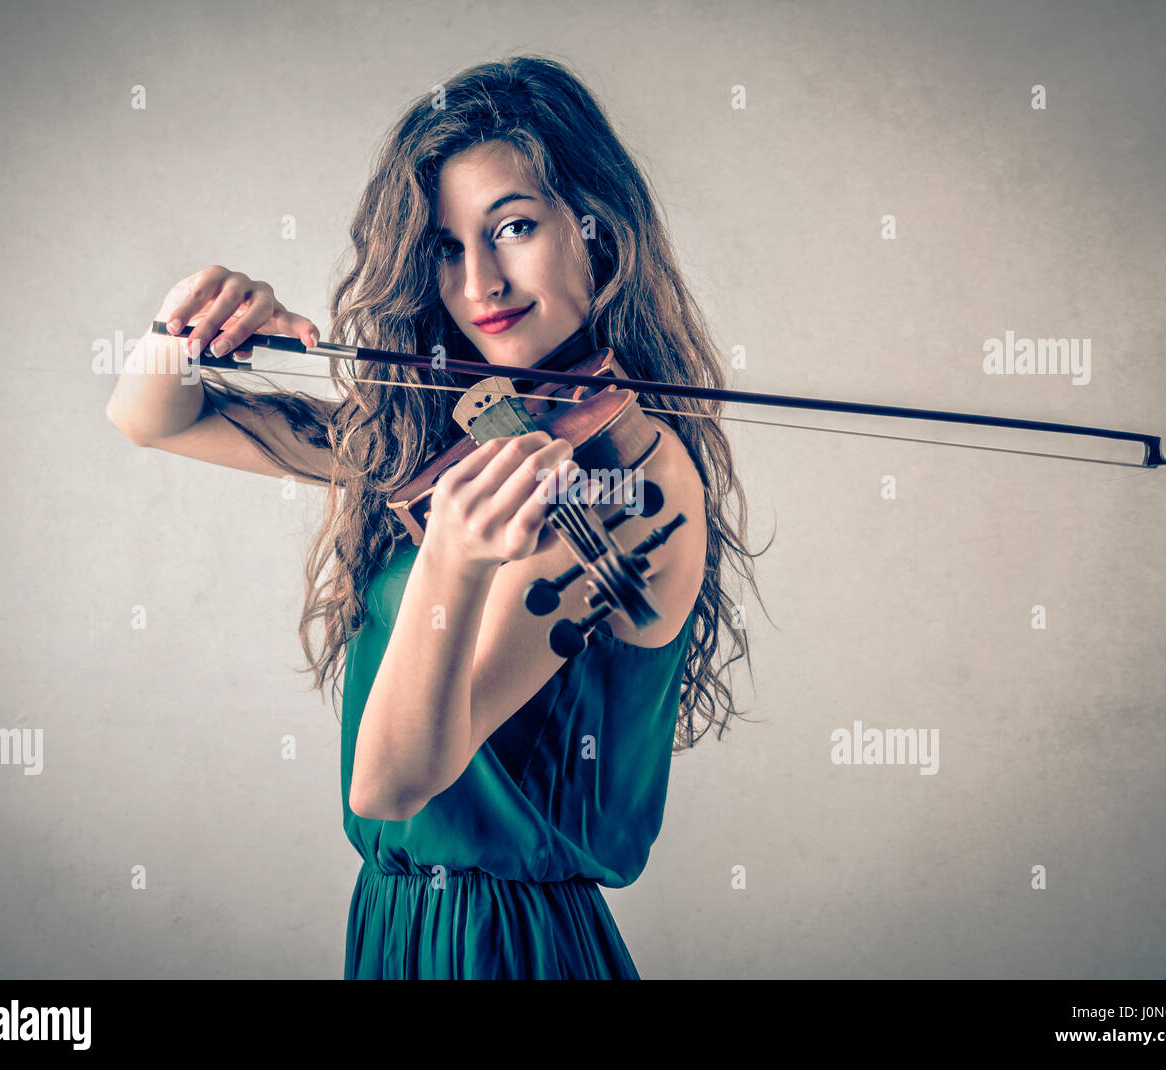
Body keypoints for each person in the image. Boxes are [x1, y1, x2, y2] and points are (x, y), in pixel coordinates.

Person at [107, 55, 767, 979]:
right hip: (393, 927)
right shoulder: (445, 444)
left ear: (598, 231)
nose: (481, 284)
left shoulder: (634, 492)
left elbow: (390, 782)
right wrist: (189, 326)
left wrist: (454, 562)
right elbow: (154, 417)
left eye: (515, 227)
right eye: (447, 248)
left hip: (509, 946)